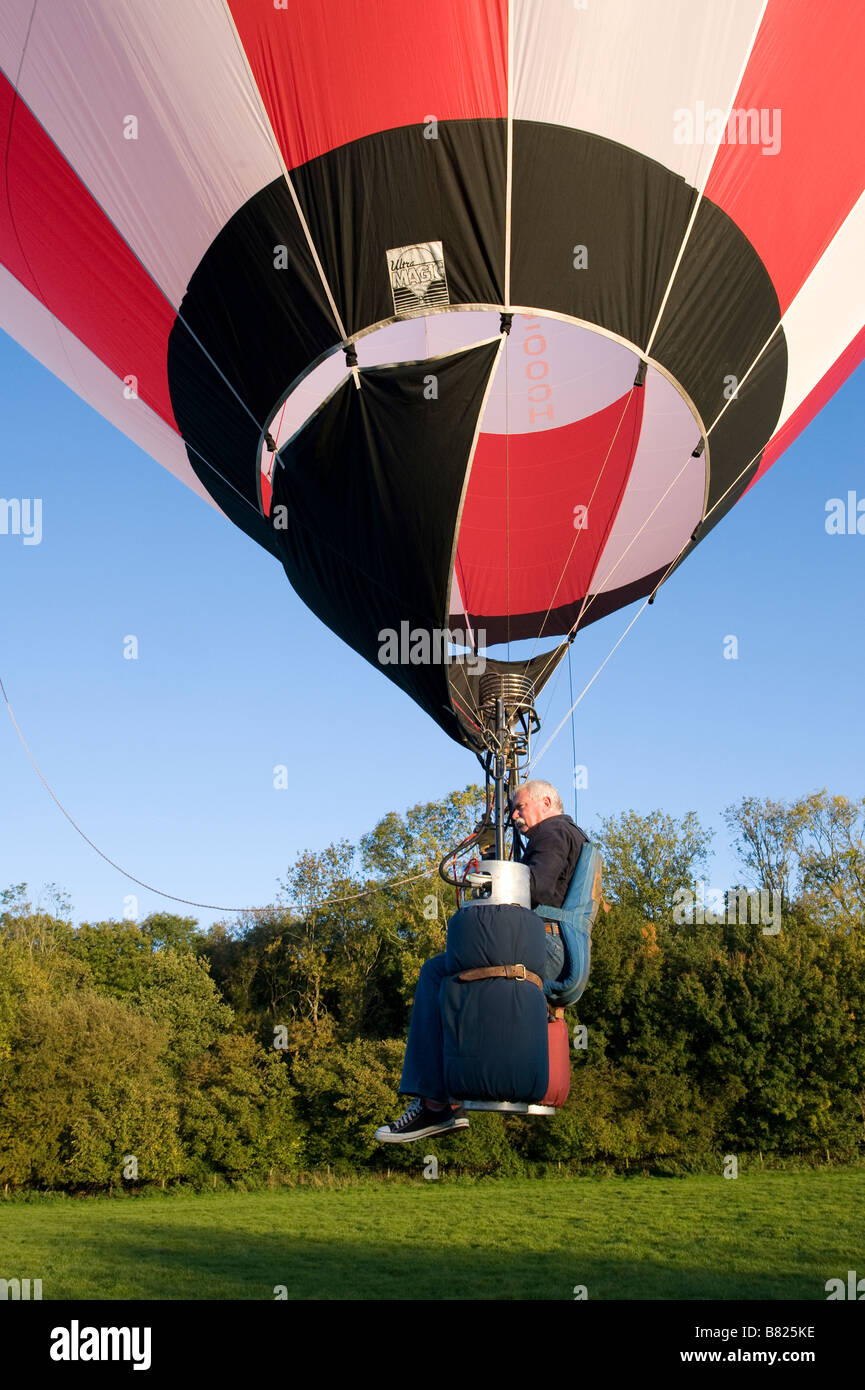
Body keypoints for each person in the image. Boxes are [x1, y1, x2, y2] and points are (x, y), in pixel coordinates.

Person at [375, 780, 587, 1143]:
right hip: (550, 944)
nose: (516, 816)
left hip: (545, 945)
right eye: (513, 809)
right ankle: (442, 1101)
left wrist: (488, 870)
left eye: (520, 807)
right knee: (452, 973)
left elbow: (532, 889)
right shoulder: (567, 835)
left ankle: (436, 1105)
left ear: (547, 801)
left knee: (437, 973)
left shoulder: (552, 832)